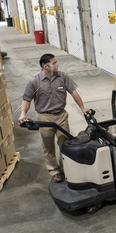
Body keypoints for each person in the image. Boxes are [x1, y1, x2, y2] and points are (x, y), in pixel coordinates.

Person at [19, 53, 89, 183]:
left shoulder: (62, 77)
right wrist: (23, 114)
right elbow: (26, 99)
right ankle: (54, 171)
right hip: (44, 118)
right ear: (46, 66)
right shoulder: (34, 81)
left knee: (65, 144)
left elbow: (74, 93)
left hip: (61, 116)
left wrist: (83, 108)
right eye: (54, 63)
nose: (57, 65)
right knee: (48, 146)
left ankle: (65, 168)